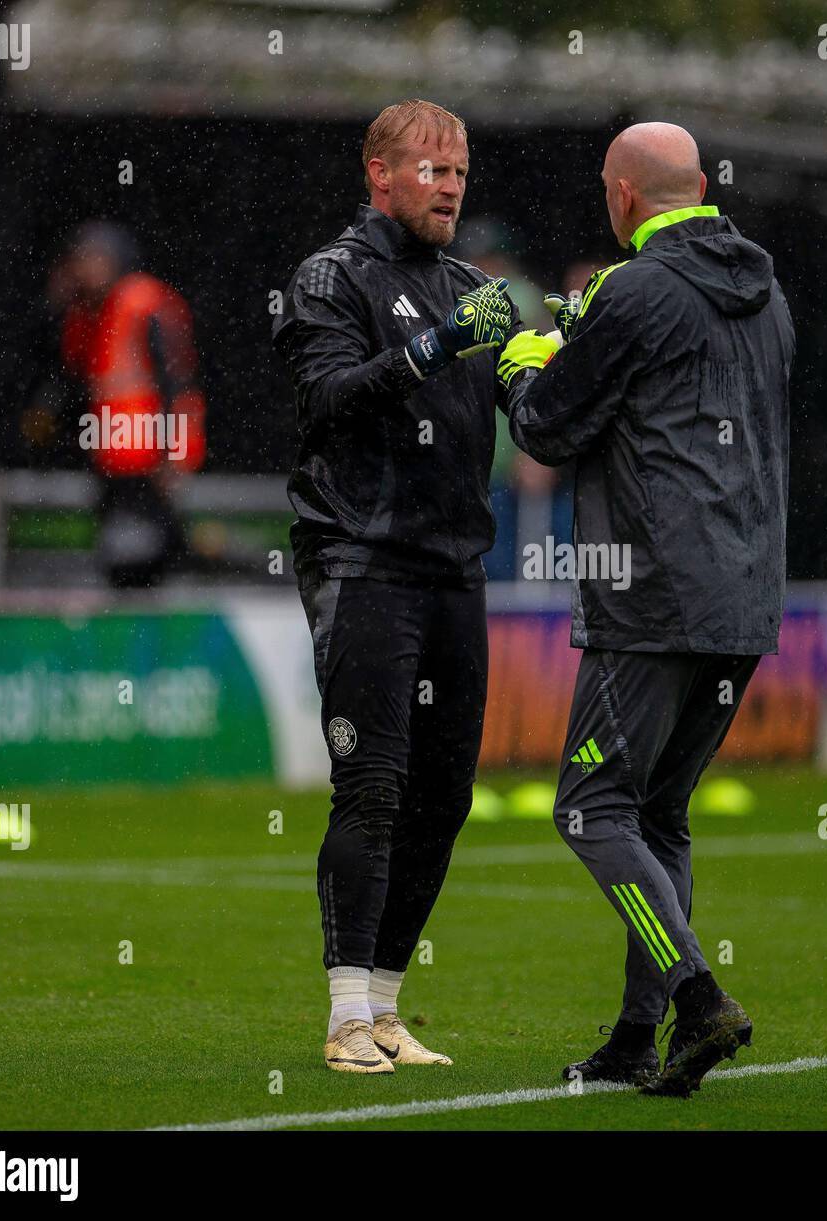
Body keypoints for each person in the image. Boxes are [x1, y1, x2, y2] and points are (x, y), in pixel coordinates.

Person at [495, 122, 795, 1097]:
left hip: (652, 590)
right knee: (659, 816)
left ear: (622, 197)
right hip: (744, 594)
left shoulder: (633, 289)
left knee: (588, 810)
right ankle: (636, 1037)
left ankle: (699, 997)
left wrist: (527, 362)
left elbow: (545, 425)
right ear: (702, 186)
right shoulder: (768, 295)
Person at [271, 99, 521, 1075]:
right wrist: (436, 346)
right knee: (370, 785)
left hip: (456, 570)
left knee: (442, 797)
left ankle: (382, 1005)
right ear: (379, 173)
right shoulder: (330, 277)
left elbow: (535, 418)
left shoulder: (472, 286)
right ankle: (341, 1020)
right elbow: (326, 399)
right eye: (431, 168)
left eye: (460, 170)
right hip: (362, 562)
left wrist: (566, 353)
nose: (451, 184)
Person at [55, 222, 205, 588]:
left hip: (146, 455)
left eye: (95, 258)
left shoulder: (140, 302)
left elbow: (175, 381)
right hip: (113, 453)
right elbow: (72, 374)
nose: (87, 269)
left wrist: (173, 450)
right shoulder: (90, 311)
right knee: (121, 549)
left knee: (150, 549)